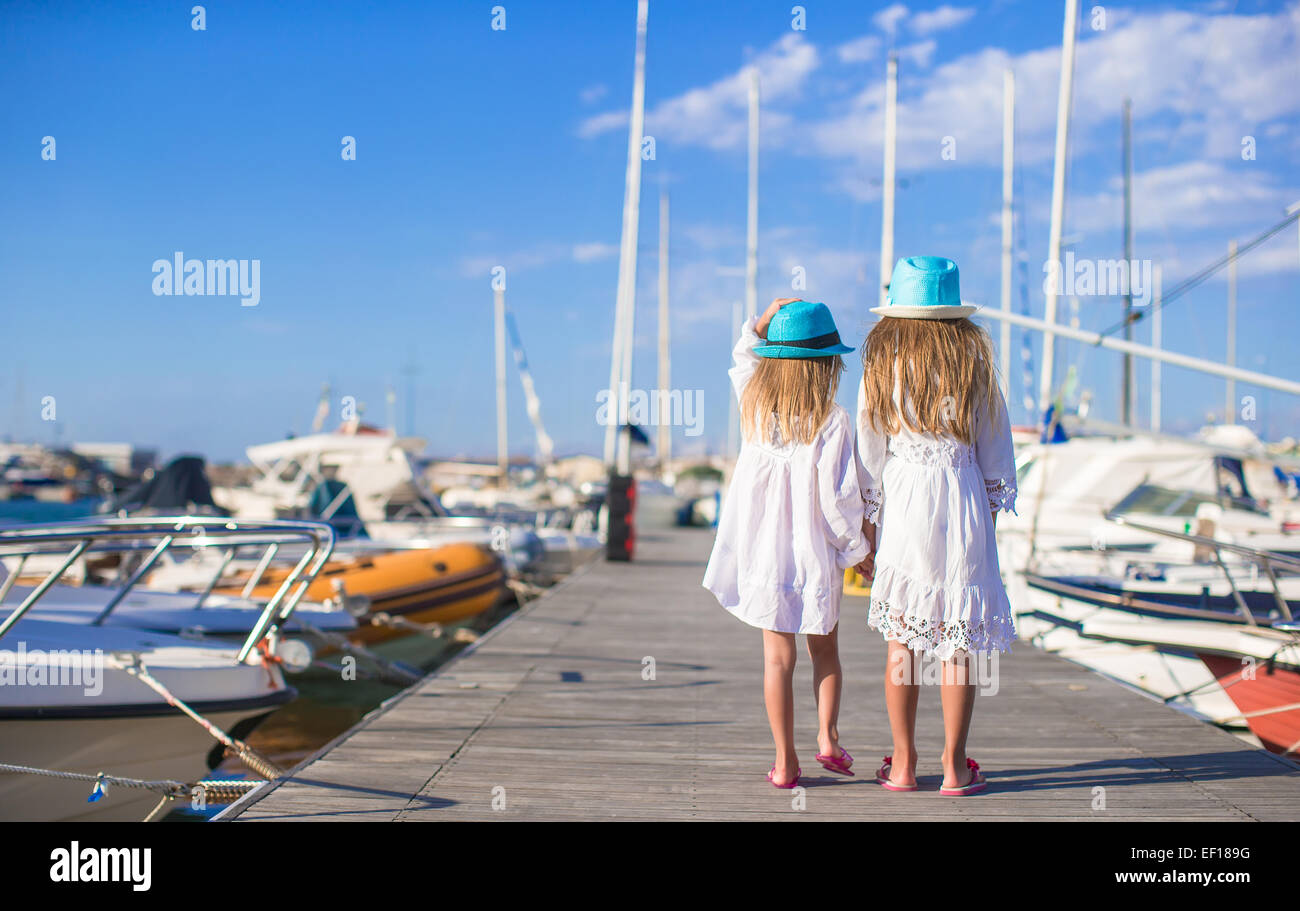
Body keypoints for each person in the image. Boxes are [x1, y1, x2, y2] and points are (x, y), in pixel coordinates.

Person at [855, 256, 1017, 796]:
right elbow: (996, 450)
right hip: (963, 493)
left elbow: (869, 449)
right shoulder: (974, 367)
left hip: (906, 498)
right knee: (957, 640)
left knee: (902, 639)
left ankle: (902, 764)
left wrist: (869, 523)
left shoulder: (883, 366)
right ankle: (954, 765)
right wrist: (987, 516)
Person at [703, 298, 869, 789]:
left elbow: (742, 358)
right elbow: (839, 501)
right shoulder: (833, 419)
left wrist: (757, 323)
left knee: (777, 659)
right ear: (826, 365)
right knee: (826, 651)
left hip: (763, 556)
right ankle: (828, 738)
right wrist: (858, 552)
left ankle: (785, 762)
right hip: (814, 554)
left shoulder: (753, 404)